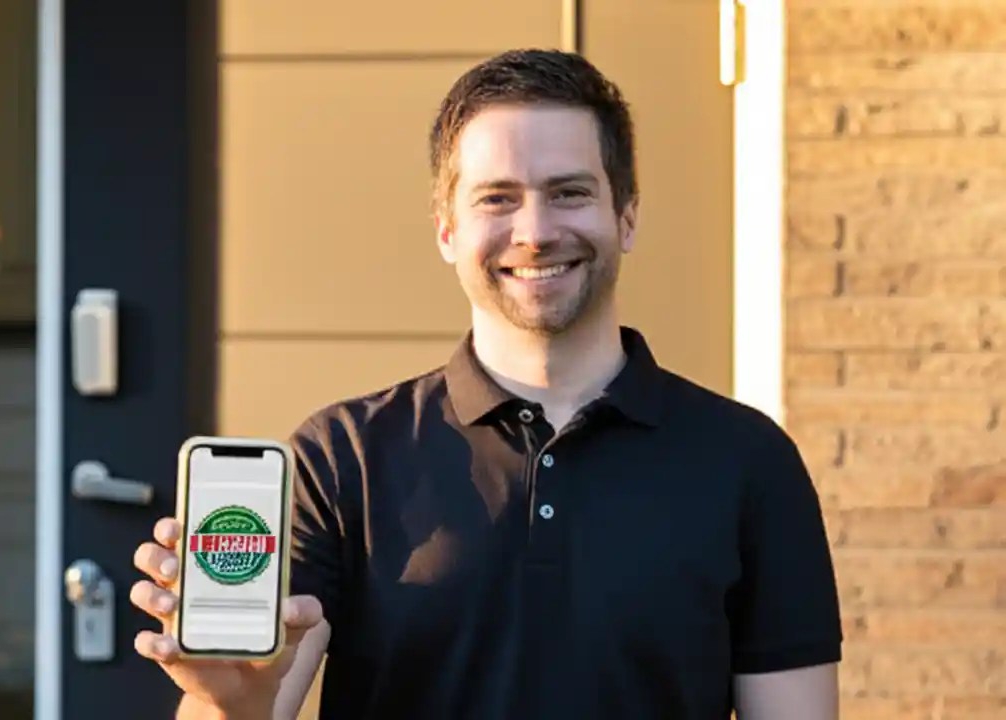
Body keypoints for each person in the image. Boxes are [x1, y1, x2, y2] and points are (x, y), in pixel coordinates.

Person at [130, 48, 842, 720]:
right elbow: (249, 699)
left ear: (626, 216)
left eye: (569, 193)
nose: (535, 231)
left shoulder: (749, 462)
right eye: (497, 199)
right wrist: (231, 703)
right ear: (447, 230)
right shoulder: (342, 459)